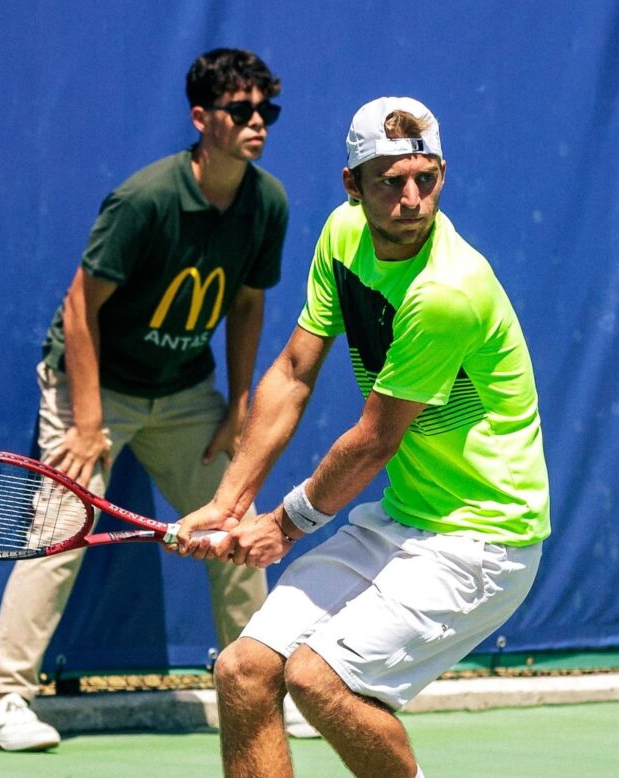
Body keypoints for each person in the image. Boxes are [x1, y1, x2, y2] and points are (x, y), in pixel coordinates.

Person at [171, 96, 551, 778]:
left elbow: (375, 440)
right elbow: (291, 372)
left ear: (441, 173)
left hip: (483, 540)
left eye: (425, 178)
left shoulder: (448, 292)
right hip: (406, 520)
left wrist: (283, 526)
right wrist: (230, 501)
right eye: (389, 181)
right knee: (245, 670)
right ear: (353, 185)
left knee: (321, 680)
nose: (411, 197)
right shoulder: (343, 235)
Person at [0, 48, 288, 752]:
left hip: (182, 394)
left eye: (267, 110)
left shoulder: (267, 203)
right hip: (93, 386)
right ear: (202, 118)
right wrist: (87, 424)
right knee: (57, 533)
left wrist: (238, 404)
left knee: (237, 531)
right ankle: (0, 702)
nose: (258, 122)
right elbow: (80, 309)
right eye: (242, 110)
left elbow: (246, 305)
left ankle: (259, 687)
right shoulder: (146, 199)